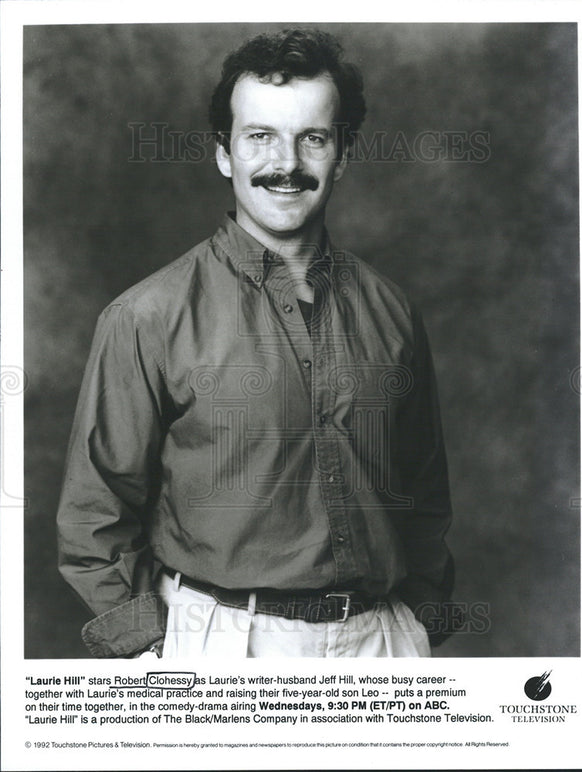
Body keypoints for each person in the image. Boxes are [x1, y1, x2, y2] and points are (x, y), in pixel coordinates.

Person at [57, 28, 456, 659]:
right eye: (260, 136)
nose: (286, 163)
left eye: (313, 138)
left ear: (342, 155)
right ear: (225, 154)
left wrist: (418, 620)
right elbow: (94, 512)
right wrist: (150, 654)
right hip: (222, 645)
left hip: (380, 641)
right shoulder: (146, 316)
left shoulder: (394, 311)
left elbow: (425, 493)